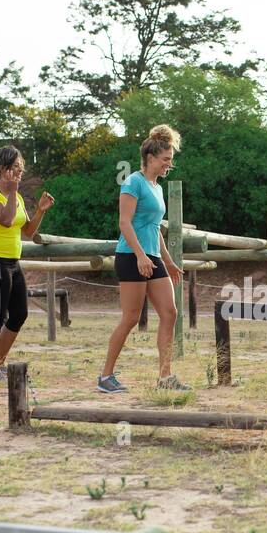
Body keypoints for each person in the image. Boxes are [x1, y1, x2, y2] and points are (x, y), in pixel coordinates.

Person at [97, 125, 188, 394]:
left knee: (170, 313)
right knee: (131, 318)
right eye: (166, 159)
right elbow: (124, 223)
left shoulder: (156, 188)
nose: (169, 164)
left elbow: (154, 227)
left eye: (170, 159)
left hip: (153, 256)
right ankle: (105, 377)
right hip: (130, 255)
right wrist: (139, 255)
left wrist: (168, 261)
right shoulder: (133, 182)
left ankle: (165, 377)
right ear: (151, 158)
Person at [0, 145, 52, 382]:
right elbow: (7, 220)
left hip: (12, 263)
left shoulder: (17, 197)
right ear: (2, 169)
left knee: (19, 314)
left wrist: (39, 211)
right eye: (16, 167)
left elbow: (28, 231)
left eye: (21, 167)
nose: (21, 171)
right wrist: (11, 191)